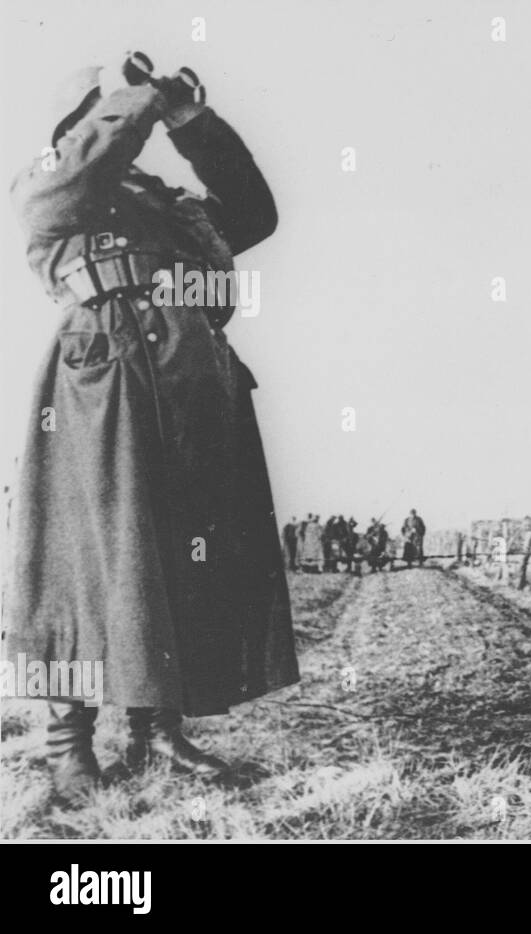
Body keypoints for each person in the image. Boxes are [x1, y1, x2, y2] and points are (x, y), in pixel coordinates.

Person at [3, 56, 298, 802]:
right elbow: (85, 164)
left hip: (190, 384)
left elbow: (255, 213)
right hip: (104, 383)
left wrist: (190, 122)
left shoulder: (169, 208)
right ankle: (69, 746)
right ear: (83, 126)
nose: (134, 127)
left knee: (177, 551)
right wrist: (136, 98)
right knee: (83, 560)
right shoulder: (51, 186)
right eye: (118, 115)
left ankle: (158, 732)